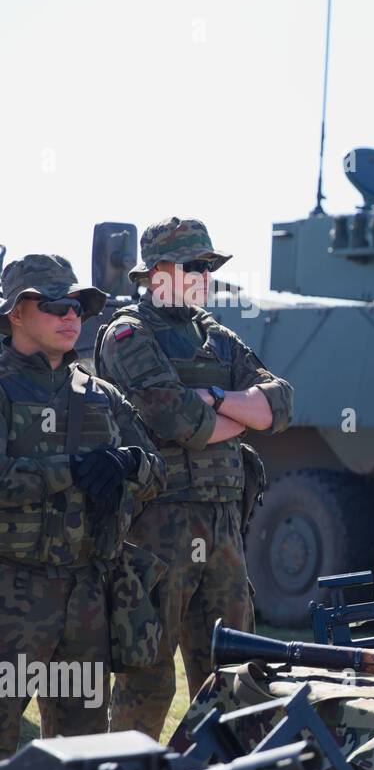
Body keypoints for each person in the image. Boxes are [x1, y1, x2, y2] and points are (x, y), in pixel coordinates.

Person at [96, 218, 294, 738]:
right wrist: (231, 416)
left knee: (236, 677)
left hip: (225, 524)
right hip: (156, 529)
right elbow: (179, 421)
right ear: (157, 271)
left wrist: (217, 401)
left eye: (209, 266)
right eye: (194, 266)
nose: (205, 275)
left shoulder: (215, 335)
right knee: (149, 678)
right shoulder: (127, 334)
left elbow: (280, 406)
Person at [0, 255, 165, 757]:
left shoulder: (103, 396)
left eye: (78, 305)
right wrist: (68, 470)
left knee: (80, 755)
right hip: (11, 594)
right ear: (16, 313)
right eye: (54, 305)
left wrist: (126, 463)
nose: (71, 316)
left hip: (86, 598)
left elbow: (157, 471)